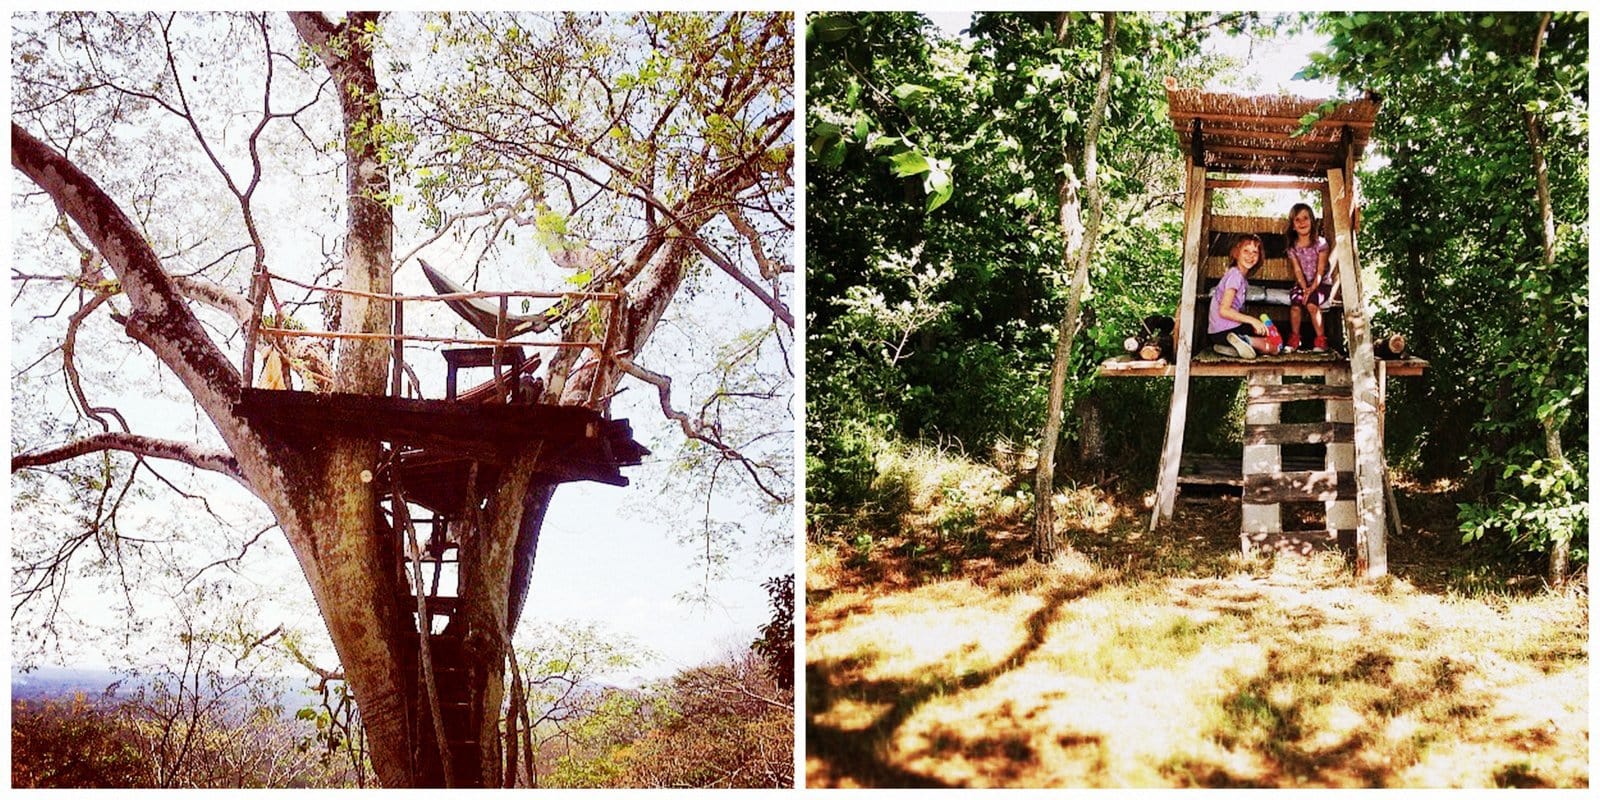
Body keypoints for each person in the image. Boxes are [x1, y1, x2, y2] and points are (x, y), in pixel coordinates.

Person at [1207, 233, 1278, 359]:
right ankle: (1245, 341)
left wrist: (1253, 325)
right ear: (1236, 253)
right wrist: (1253, 321)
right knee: (1274, 347)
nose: (1250, 256)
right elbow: (1224, 310)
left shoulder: (1239, 277)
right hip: (1227, 331)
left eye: (1255, 252)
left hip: (1217, 334)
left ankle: (1231, 348)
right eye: (1246, 251)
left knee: (1262, 334)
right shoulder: (1235, 276)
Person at [1284, 202, 1332, 352]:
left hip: (1321, 284)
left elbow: (1320, 271)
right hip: (1303, 284)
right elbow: (1298, 271)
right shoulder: (1293, 247)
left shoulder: (1321, 244)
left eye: (1305, 218)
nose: (1302, 222)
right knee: (1296, 306)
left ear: (1312, 221)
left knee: (1311, 305)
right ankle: (1294, 340)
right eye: (1297, 220)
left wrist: (1311, 290)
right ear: (1293, 226)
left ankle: (1320, 341)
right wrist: (1305, 289)